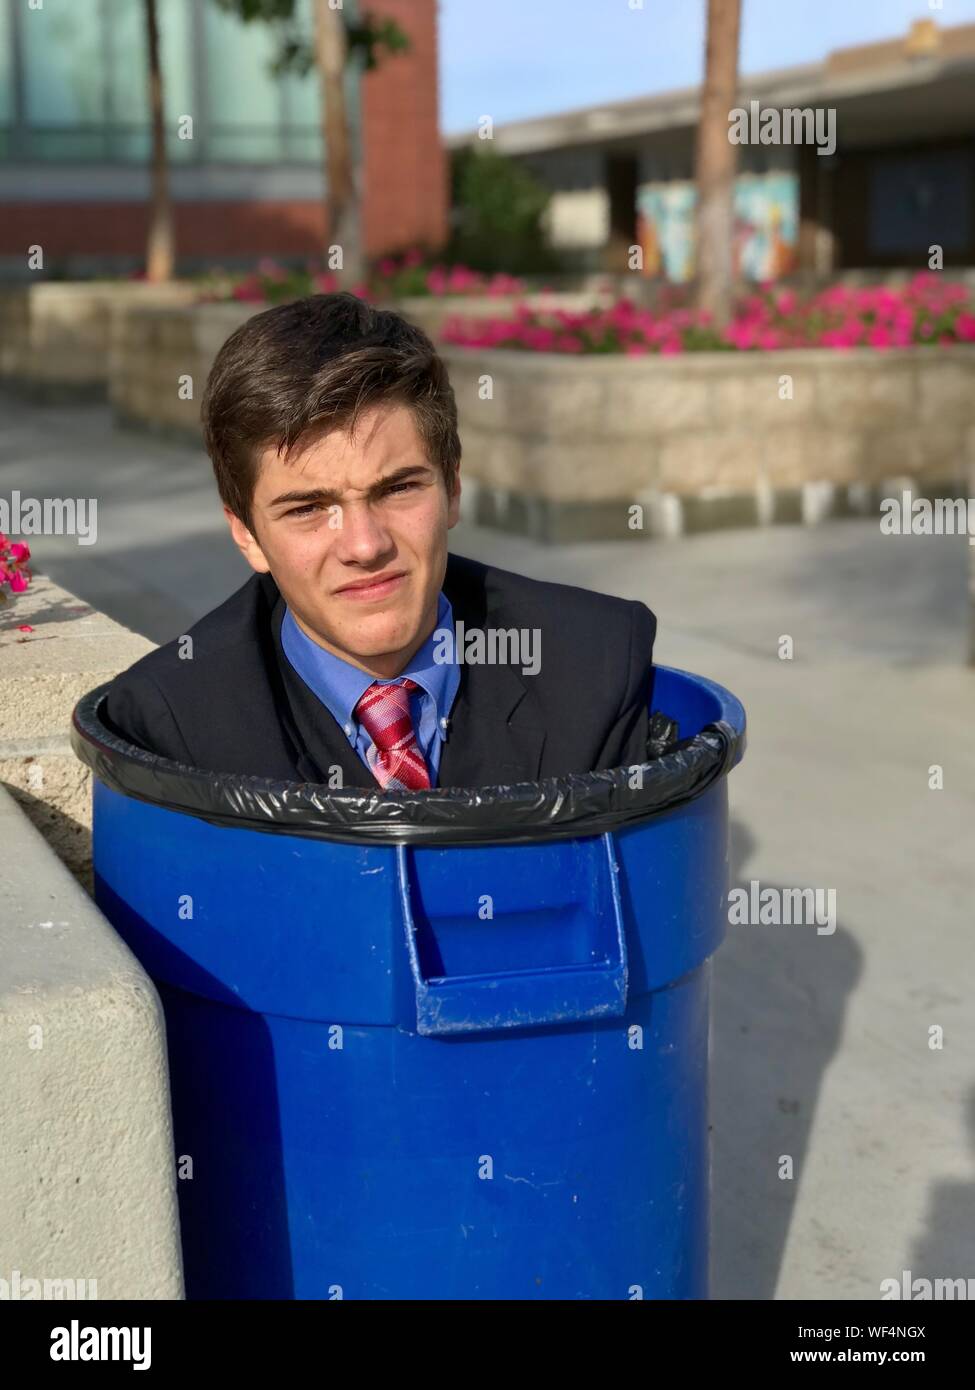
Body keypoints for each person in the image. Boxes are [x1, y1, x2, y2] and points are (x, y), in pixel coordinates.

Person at [103, 293, 657, 790]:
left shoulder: (593, 663)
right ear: (245, 533)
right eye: (308, 508)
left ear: (453, 489)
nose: (365, 547)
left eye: (397, 490)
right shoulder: (172, 725)